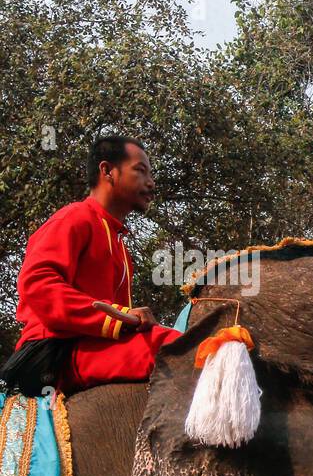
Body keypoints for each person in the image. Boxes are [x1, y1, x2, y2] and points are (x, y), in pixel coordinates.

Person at [1, 135, 182, 397]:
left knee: (175, 339)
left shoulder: (119, 246)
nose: (151, 183)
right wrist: (119, 316)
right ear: (107, 171)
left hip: (93, 348)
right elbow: (38, 286)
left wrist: (132, 320)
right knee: (184, 348)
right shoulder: (74, 218)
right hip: (56, 352)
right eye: (141, 171)